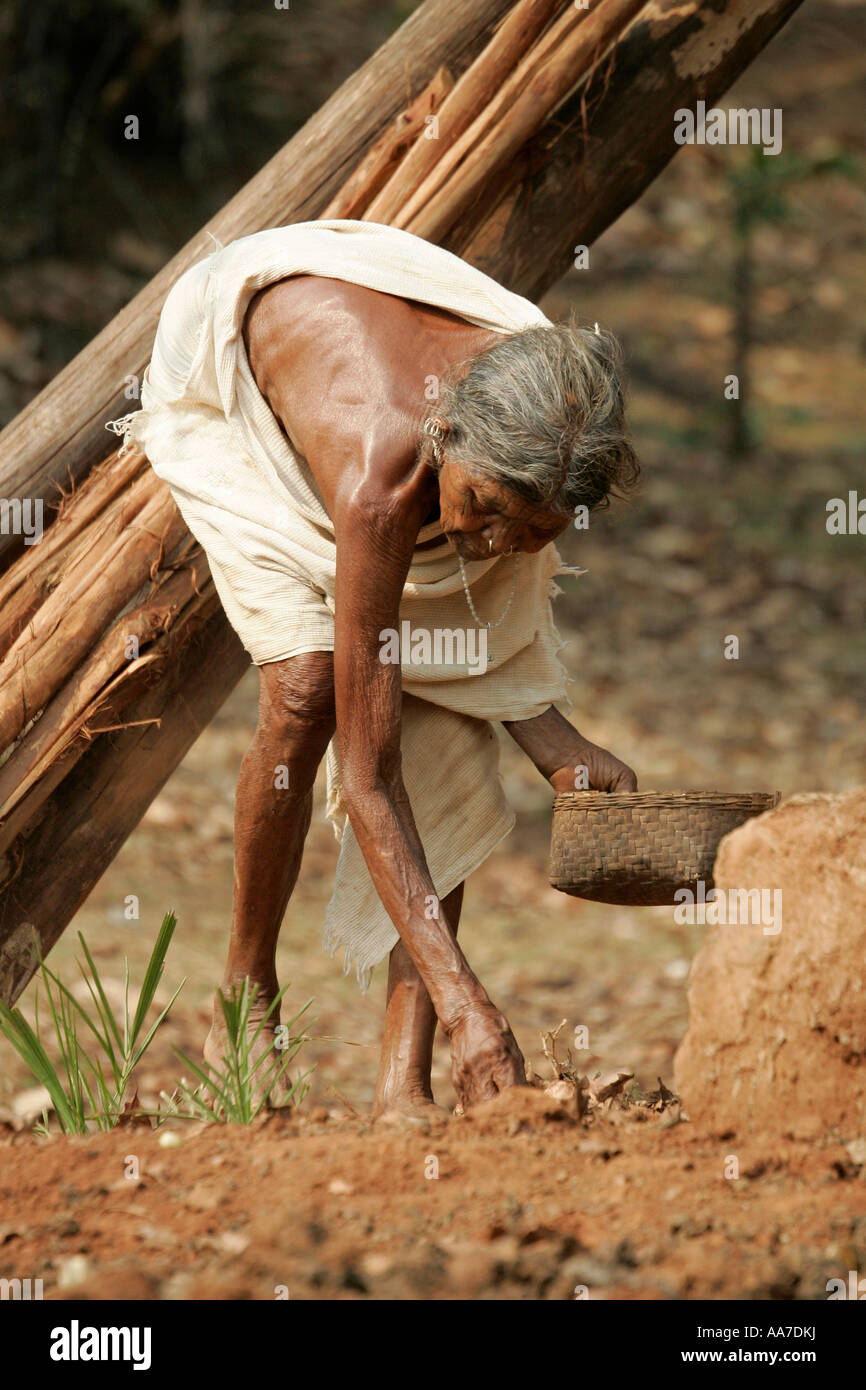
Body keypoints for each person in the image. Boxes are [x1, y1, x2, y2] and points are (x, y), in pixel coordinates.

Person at [109, 219, 638, 1115]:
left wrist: (551, 737)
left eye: (533, 534)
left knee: (446, 718)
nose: (489, 544)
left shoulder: (537, 428)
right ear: (446, 433)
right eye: (478, 505)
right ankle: (246, 988)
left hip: (447, 388)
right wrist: (471, 997)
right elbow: (368, 775)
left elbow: (478, 621)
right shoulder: (381, 480)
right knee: (313, 687)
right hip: (228, 372)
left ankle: (405, 1086)